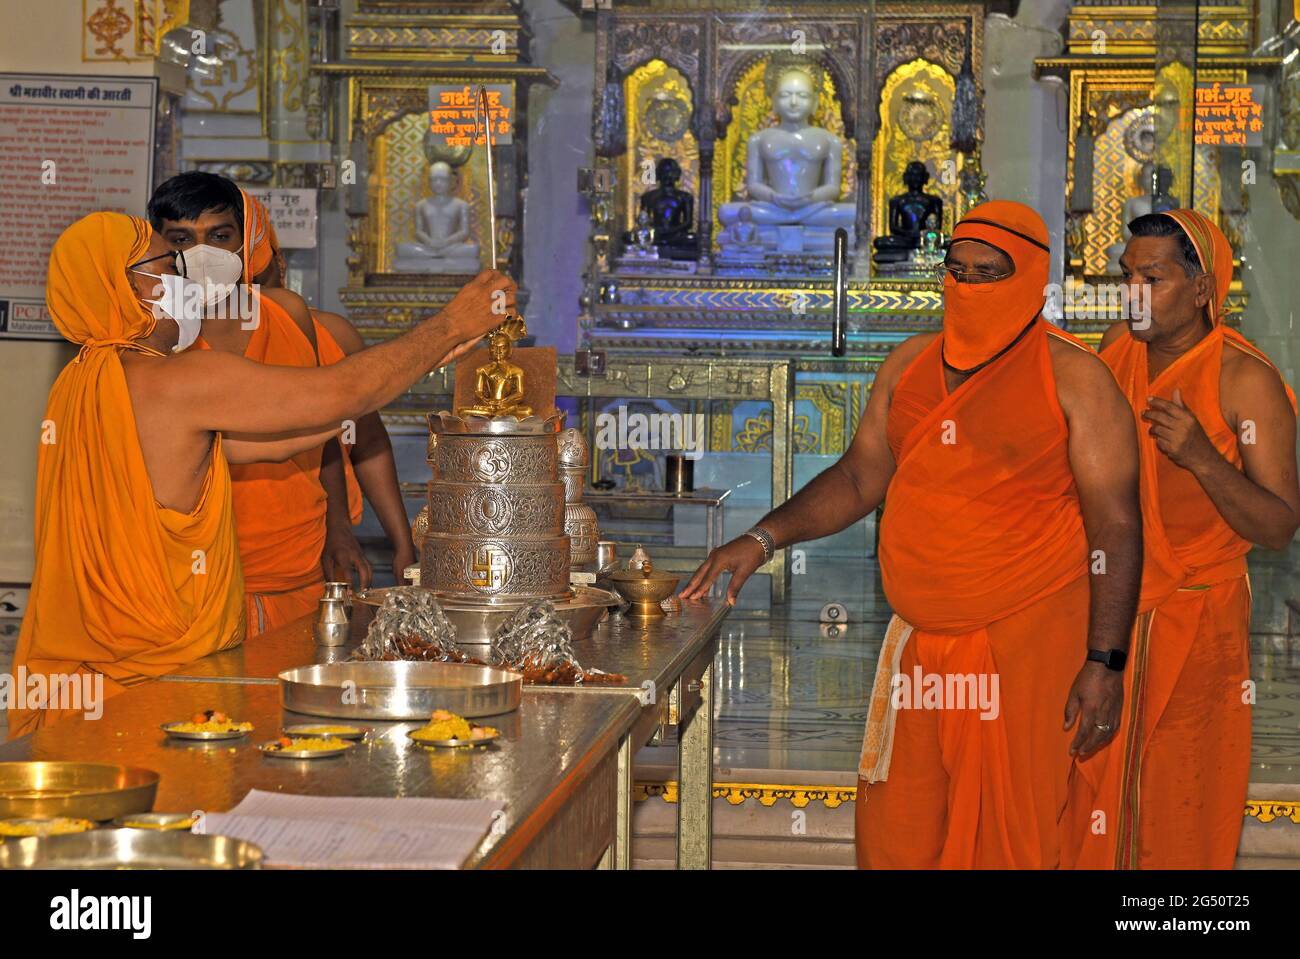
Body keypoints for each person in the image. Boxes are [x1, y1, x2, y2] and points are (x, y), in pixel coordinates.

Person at [682, 201, 1144, 869]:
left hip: (1028, 641)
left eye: (989, 274)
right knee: (902, 833)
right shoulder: (909, 366)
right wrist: (762, 538)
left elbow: (1117, 526)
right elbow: (861, 475)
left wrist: (1105, 662)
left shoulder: (1077, 380)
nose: (966, 288)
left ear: (1031, 281)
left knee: (1010, 842)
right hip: (918, 646)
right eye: (955, 271)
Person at [9, 211, 510, 735]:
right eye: (168, 264)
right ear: (129, 285)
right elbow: (339, 394)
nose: (185, 278)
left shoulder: (81, 385)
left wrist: (433, 353)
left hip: (79, 687)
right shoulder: (178, 382)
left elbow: (288, 434)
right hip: (150, 695)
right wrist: (451, 324)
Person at [1069, 210, 1299, 868]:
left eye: (1154, 277)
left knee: (1179, 805)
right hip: (1106, 612)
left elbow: (1280, 524)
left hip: (1198, 623)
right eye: (1127, 276)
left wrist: (1202, 456)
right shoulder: (1118, 348)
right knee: (1091, 798)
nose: (1133, 292)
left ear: (1202, 289)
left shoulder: (1243, 381)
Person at [147, 173, 372, 634]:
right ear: (161, 249)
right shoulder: (149, 335)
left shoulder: (285, 313)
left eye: (220, 236)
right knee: (205, 706)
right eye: (182, 239)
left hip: (299, 564)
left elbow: (324, 423)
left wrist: (338, 527)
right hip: (191, 577)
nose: (203, 254)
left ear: (243, 243)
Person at [262, 229, 417, 587]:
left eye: (260, 272)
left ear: (281, 266)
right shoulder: (192, 343)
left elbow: (365, 441)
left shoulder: (331, 334)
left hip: (312, 546)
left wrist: (401, 542)